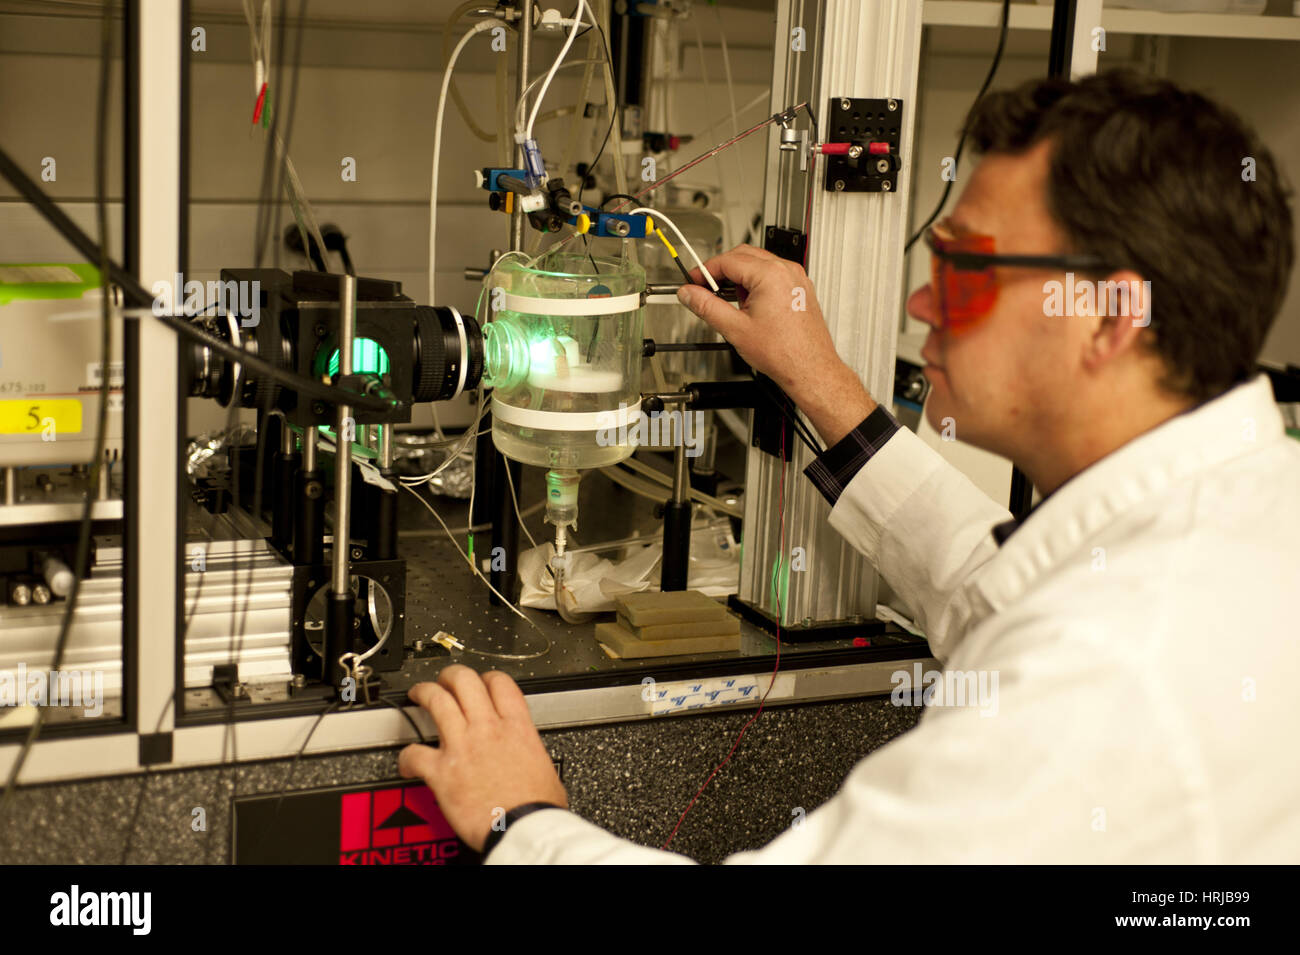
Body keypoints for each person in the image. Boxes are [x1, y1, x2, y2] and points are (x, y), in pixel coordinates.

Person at [399, 70, 1299, 863]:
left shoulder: (1109, 673)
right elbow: (999, 592)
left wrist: (521, 820)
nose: (917, 299)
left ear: (1108, 316)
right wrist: (820, 383)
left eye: (964, 267)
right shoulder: (1244, 519)